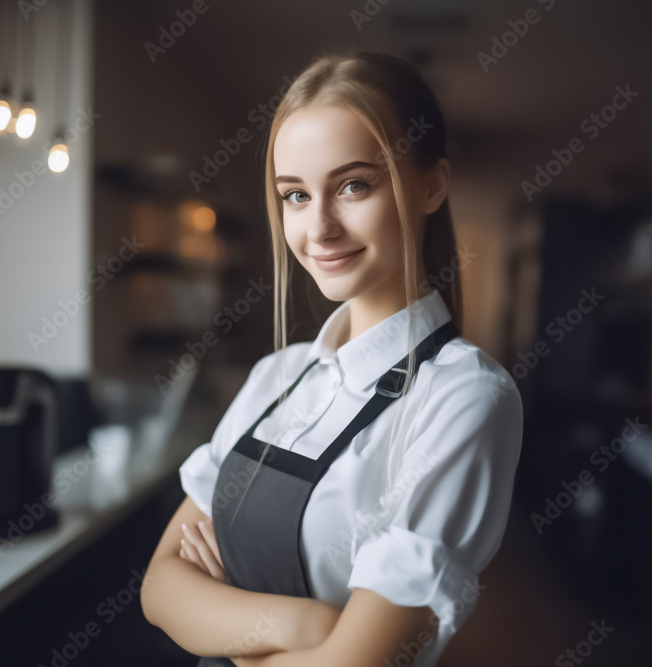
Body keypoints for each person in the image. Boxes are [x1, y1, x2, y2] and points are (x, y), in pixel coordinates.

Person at [140, 50, 523, 667]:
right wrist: (312, 625)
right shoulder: (278, 376)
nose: (318, 228)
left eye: (353, 185)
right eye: (294, 195)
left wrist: (232, 632)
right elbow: (160, 589)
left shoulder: (464, 396)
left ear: (431, 185)